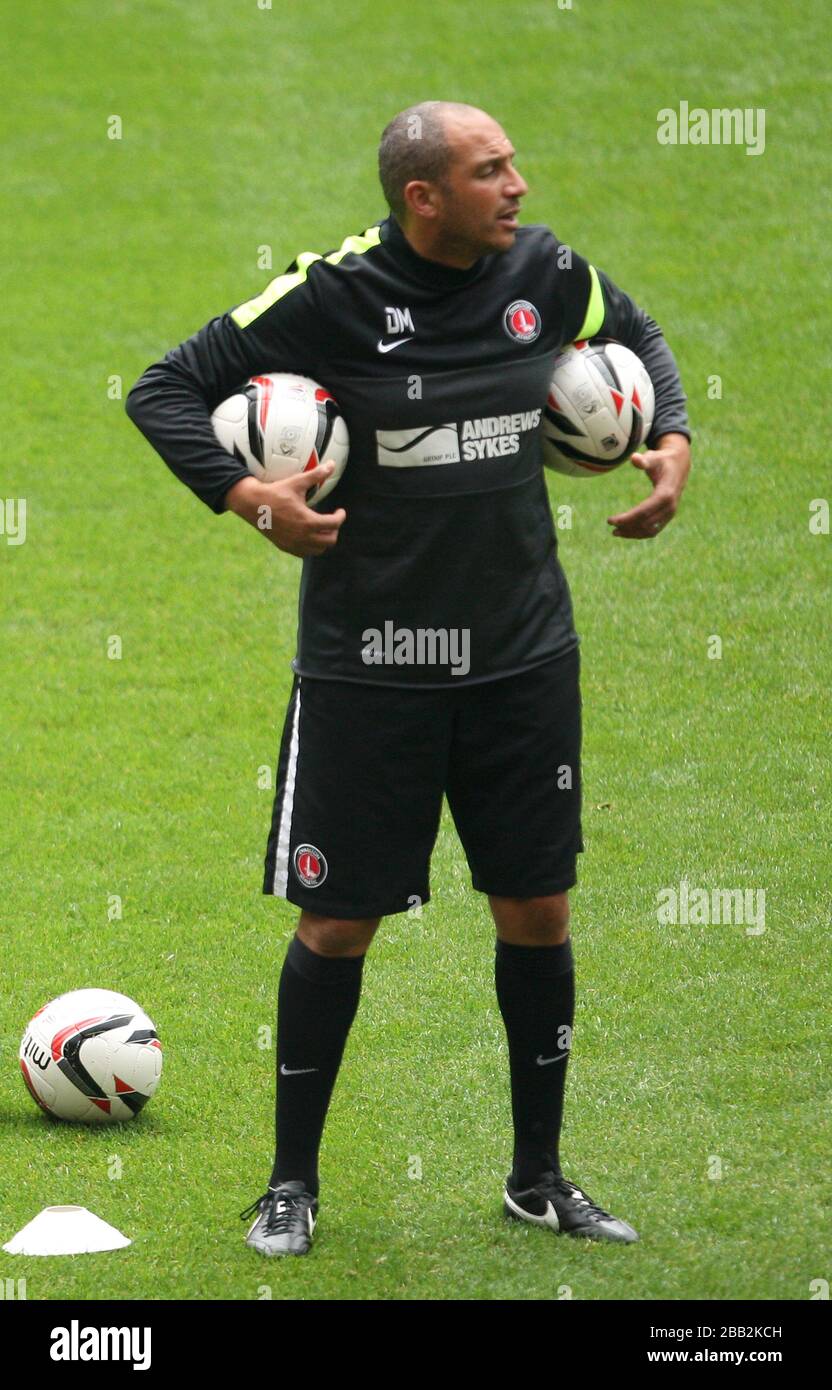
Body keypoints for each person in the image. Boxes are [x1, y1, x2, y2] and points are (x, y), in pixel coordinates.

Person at [126, 100, 691, 1258]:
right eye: (490, 172)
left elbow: (638, 332)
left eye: (513, 165)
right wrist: (249, 498)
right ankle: (291, 1183)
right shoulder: (326, 299)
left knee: (536, 908)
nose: (518, 186)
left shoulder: (545, 271)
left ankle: (538, 1176)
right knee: (339, 920)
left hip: (522, 657)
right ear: (420, 197)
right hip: (369, 671)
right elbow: (162, 388)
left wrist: (670, 436)